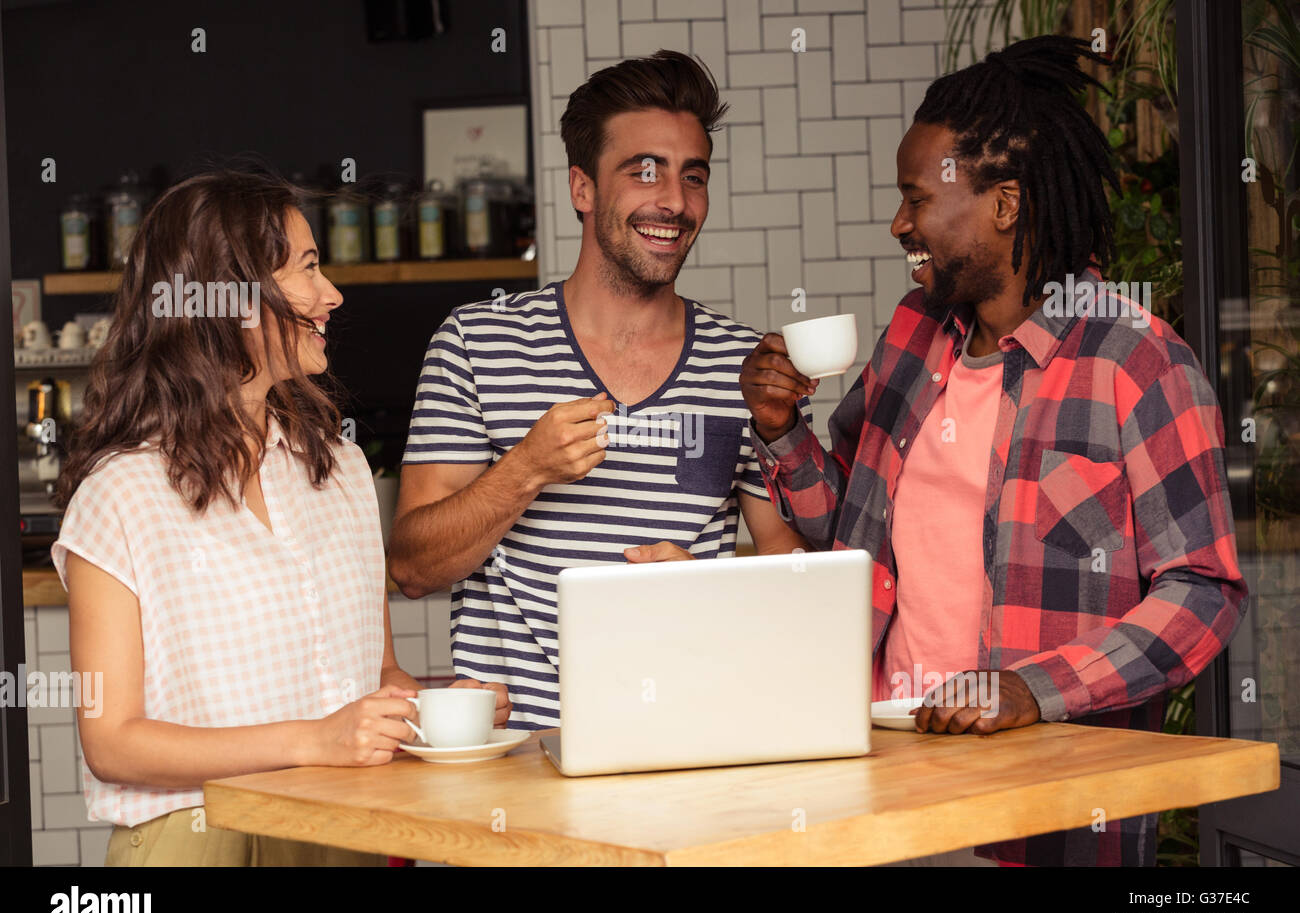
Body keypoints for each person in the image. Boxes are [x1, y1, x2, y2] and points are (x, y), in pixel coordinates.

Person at [740, 36, 1247, 866]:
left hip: (1048, 806)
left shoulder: (1136, 361)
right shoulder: (913, 337)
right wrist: (778, 430)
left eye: (916, 199)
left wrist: (1032, 690)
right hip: (882, 772)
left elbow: (1203, 594)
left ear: (1005, 204)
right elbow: (846, 533)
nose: (899, 222)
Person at [52, 170, 510, 866]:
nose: (332, 295)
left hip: (345, 829)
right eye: (306, 270)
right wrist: (312, 740)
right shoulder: (122, 496)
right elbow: (113, 742)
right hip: (198, 836)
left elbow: (375, 676)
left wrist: (441, 712)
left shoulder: (343, 470)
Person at [390, 50, 809, 729]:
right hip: (517, 764)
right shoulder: (476, 343)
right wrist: (525, 470)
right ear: (582, 188)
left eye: (692, 176)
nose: (673, 201)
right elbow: (413, 567)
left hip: (688, 742)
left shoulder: (746, 368)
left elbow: (801, 580)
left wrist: (715, 592)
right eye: (645, 171)